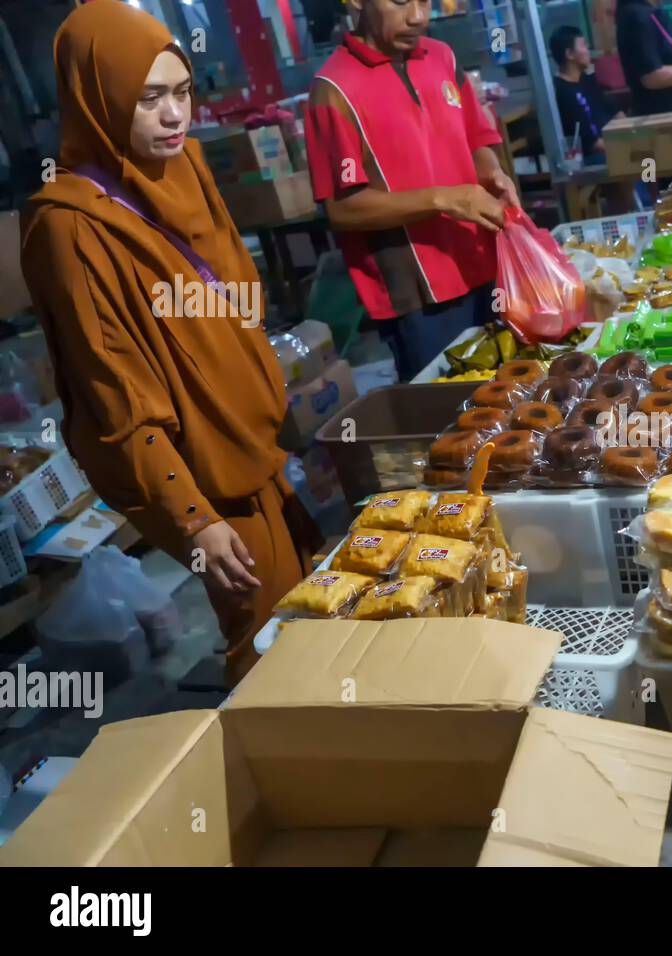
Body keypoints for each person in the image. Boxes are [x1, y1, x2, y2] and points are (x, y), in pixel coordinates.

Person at [20, 1, 321, 686]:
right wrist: (196, 522)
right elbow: (114, 395)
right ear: (97, 101)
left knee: (311, 619)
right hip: (202, 482)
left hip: (256, 453)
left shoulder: (177, 174)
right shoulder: (68, 227)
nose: (174, 114)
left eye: (182, 92)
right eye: (148, 97)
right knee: (268, 649)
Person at [306, 0, 519, 382]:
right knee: (451, 416)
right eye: (402, 2)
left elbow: (476, 138)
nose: (419, 16)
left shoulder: (443, 58)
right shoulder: (334, 90)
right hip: (419, 295)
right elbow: (343, 208)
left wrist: (492, 172)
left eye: (426, 1)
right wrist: (445, 198)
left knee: (516, 392)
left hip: (486, 262)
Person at [549, 25, 623, 164]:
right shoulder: (563, 92)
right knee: (629, 158)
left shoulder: (587, 76)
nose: (588, 50)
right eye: (583, 45)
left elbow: (612, 108)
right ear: (570, 54)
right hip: (588, 156)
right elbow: (591, 144)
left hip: (609, 142)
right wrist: (625, 147)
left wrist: (632, 132)